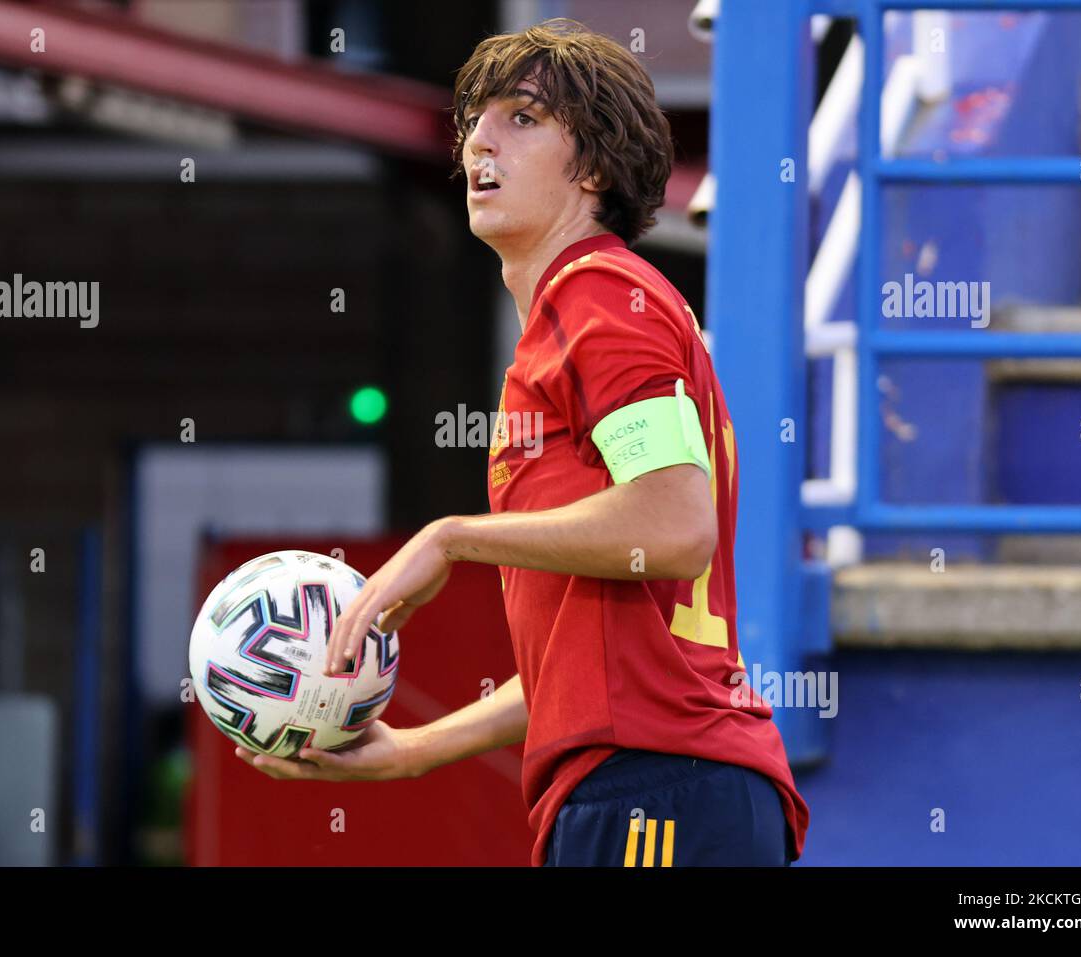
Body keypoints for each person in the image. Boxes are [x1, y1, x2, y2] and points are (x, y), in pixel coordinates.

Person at [236, 17, 809, 867]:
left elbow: (678, 523)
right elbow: (592, 664)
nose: (478, 140)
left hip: (659, 788)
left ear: (595, 167)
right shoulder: (593, 313)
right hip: (666, 782)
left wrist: (451, 537)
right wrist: (414, 750)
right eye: (475, 118)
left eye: (522, 118)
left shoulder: (601, 293)